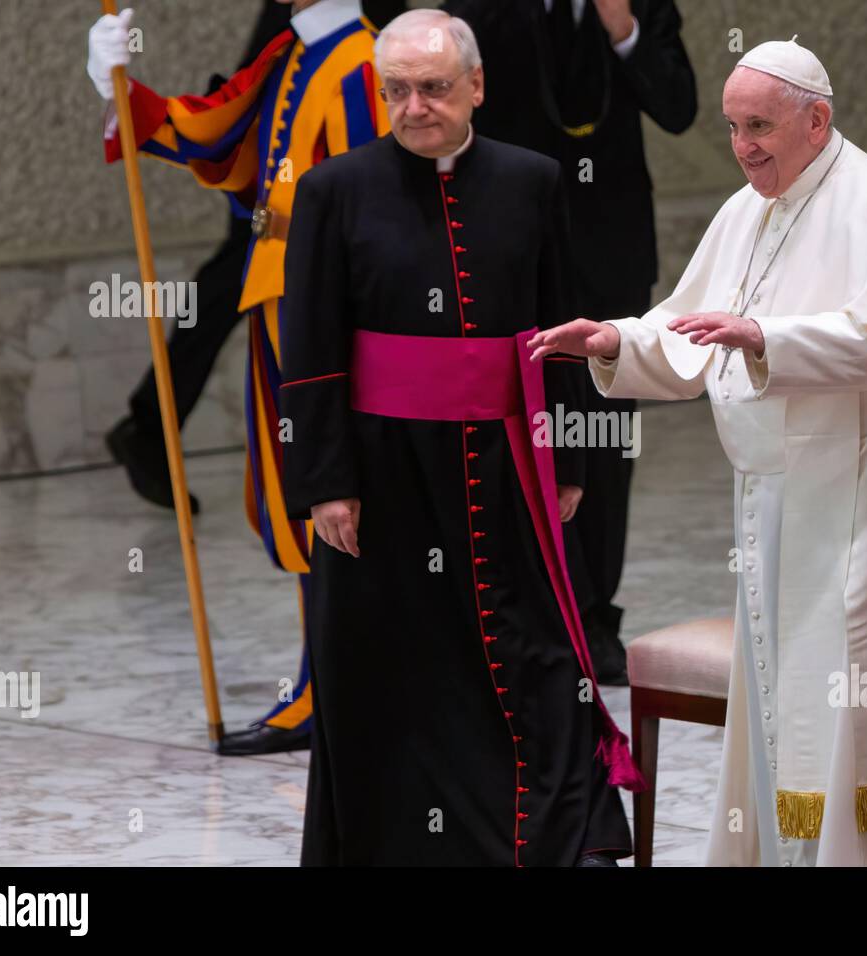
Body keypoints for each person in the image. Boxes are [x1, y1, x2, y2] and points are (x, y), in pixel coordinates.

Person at [529, 38, 867, 866]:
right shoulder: (749, 209)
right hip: (781, 494)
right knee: (790, 694)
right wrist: (612, 340)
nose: (744, 146)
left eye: (761, 126)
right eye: (735, 127)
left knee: (860, 682)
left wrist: (767, 336)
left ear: (818, 120)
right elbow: (690, 324)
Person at [280, 8, 640, 866]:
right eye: (397, 90)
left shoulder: (530, 180)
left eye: (435, 88)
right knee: (393, 668)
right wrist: (326, 481)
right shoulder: (334, 189)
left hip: (508, 462)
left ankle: (557, 836)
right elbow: (309, 350)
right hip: (382, 471)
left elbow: (560, 332)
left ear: (476, 86)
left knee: (538, 650)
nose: (415, 107)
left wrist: (570, 459)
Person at [86, 0, 390, 754]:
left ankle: (345, 690)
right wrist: (122, 90)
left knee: (335, 491)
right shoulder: (294, 53)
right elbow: (222, 138)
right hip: (280, 303)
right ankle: (323, 678)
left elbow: (375, 215)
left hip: (326, 318)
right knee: (297, 497)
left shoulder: (365, 65)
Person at [442, 0, 698, 684]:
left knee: (606, 440)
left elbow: (678, 105)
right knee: (523, 433)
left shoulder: (637, 6)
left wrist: (622, 27)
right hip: (510, 249)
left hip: (610, 254)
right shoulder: (474, 9)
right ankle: (532, 612)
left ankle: (596, 618)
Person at [104, 0, 407, 518]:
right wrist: (121, 93)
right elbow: (237, 126)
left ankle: (152, 423)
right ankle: (151, 424)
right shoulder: (294, 43)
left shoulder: (365, 54)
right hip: (283, 258)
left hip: (324, 280)